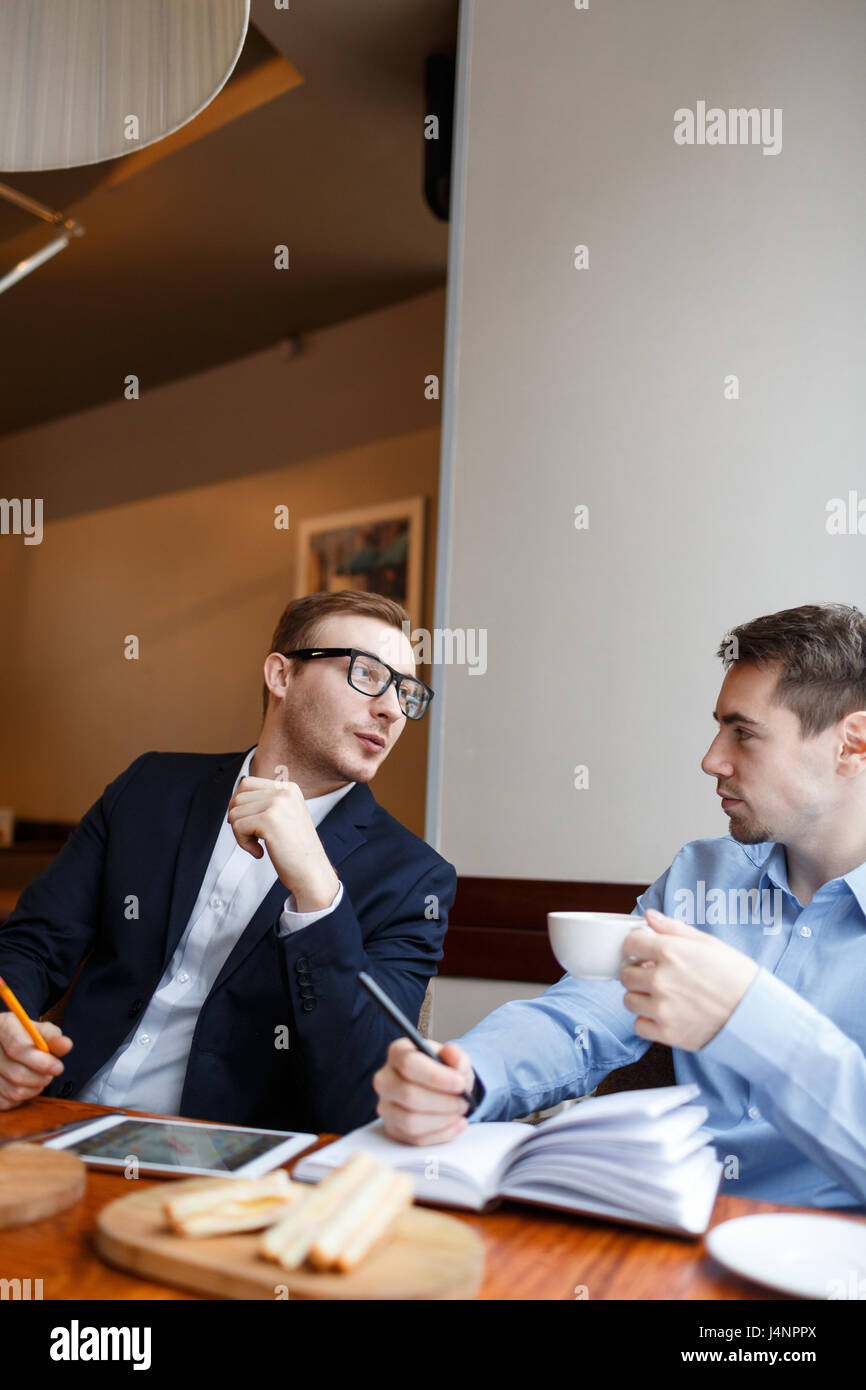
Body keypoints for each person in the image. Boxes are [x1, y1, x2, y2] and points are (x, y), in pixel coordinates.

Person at [375, 603, 866, 1210]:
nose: (712, 759)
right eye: (719, 729)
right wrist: (466, 1075)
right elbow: (583, 1012)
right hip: (659, 1232)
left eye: (744, 732)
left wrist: (749, 1013)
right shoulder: (701, 875)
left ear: (852, 744)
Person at [0, 591, 455, 1133]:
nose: (391, 709)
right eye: (366, 675)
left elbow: (363, 1090)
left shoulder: (415, 880)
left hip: (232, 1164)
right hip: (60, 1116)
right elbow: (32, 945)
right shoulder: (149, 789)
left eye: (406, 691)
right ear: (281, 676)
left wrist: (316, 891)